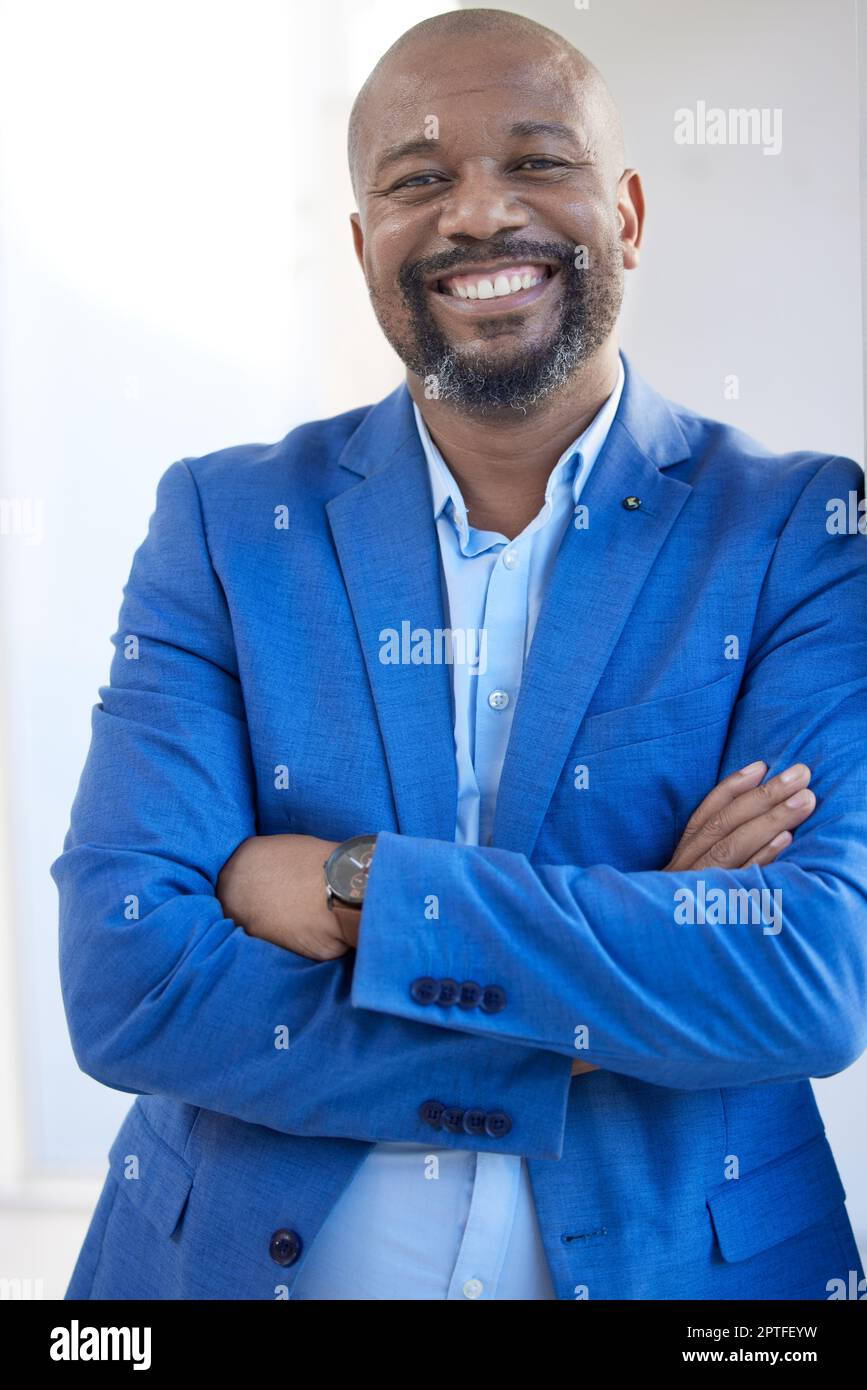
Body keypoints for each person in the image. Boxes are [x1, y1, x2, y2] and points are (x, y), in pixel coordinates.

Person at [52, 8, 867, 1300]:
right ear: (367, 245)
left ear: (632, 215)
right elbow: (129, 977)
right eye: (420, 179)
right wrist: (619, 989)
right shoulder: (223, 526)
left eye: (538, 161)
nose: (478, 214)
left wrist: (347, 884)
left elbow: (809, 976)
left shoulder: (797, 531)